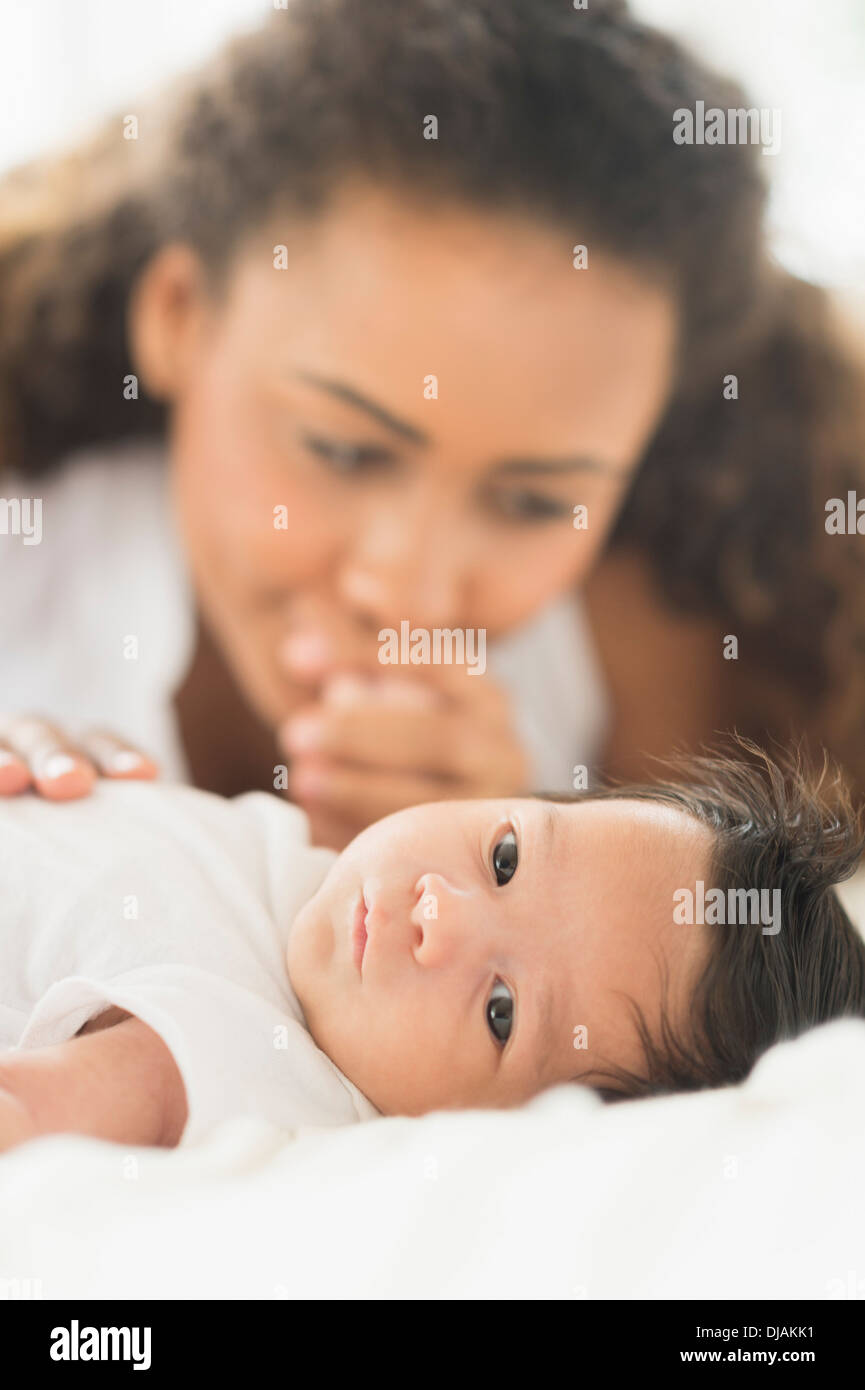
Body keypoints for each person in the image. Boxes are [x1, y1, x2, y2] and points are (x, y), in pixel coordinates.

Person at [2, 0, 864, 848]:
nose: (406, 593)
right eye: (342, 450)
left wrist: (526, 861)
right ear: (179, 316)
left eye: (532, 503)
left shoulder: (678, 680)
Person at [1, 742, 863, 1153]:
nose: (437, 916)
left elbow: (28, 1113)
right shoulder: (291, 867)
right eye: (505, 858)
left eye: (501, 1013)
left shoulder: (236, 1062)